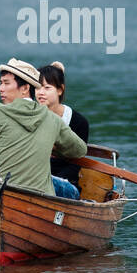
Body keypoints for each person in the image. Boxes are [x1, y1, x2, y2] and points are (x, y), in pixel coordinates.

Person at [0, 58, 87, 198]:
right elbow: (80, 150)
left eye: (6, 83)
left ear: (25, 88)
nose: (0, 88)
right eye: (1, 83)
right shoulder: (53, 119)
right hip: (42, 196)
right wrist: (54, 145)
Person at [36, 62, 89, 199]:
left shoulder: (78, 122)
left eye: (47, 88)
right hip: (32, 181)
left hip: (66, 185)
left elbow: (74, 166)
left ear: (60, 90)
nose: (41, 92)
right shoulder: (30, 117)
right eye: (37, 87)